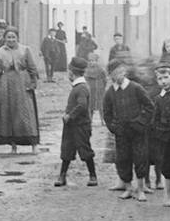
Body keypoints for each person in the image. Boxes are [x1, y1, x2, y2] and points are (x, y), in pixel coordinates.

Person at [103, 58, 154, 201]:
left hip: (137, 132)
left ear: (124, 71)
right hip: (121, 133)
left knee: (140, 158)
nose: (118, 75)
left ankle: (140, 189)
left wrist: (141, 123)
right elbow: (106, 113)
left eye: (120, 71)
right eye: (114, 73)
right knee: (123, 159)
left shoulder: (136, 88)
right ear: (110, 76)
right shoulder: (110, 92)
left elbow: (149, 106)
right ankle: (128, 188)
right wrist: (113, 128)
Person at [0, 26, 40, 153]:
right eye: (8, 37)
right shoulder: (0, 52)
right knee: (10, 115)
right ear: (5, 38)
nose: (11, 40)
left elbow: (32, 68)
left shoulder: (25, 50)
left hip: (23, 84)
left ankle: (33, 145)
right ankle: (13, 146)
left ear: (17, 38)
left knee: (26, 114)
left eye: (13, 37)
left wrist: (33, 83)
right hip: (7, 86)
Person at [55, 57, 98, 187]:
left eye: (69, 71)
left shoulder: (81, 88)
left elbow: (82, 106)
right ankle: (62, 177)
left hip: (80, 126)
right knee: (66, 151)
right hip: (71, 126)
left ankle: (93, 176)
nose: (68, 73)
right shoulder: (78, 87)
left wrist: (70, 116)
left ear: (72, 72)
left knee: (85, 150)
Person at [150, 63, 170, 208]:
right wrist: (157, 133)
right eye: (160, 79)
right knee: (167, 165)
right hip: (165, 136)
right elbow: (155, 118)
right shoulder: (158, 98)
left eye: (166, 77)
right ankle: (168, 194)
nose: (163, 81)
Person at [85, 52, 108, 123]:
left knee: (101, 105)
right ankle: (90, 119)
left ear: (96, 61)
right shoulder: (86, 70)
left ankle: (103, 119)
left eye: (93, 61)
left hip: (99, 88)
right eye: (90, 61)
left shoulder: (101, 69)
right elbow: (85, 79)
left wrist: (103, 86)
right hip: (90, 89)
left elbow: (105, 79)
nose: (92, 62)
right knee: (90, 105)